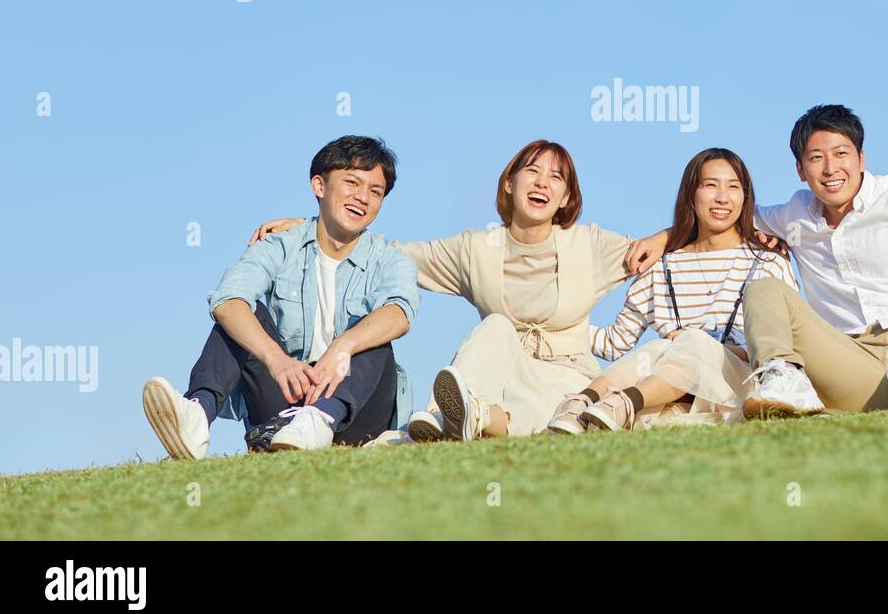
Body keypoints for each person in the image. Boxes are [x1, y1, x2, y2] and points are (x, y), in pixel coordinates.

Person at [250, 140, 642, 443]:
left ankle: (475, 420)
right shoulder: (476, 249)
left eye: (556, 177)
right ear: (509, 183)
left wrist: (660, 238)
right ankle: (446, 416)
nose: (542, 183)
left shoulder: (589, 244)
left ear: (567, 197)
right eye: (532, 171)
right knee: (496, 327)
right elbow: (397, 255)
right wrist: (314, 225)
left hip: (566, 374)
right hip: (500, 372)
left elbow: (669, 250)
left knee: (557, 410)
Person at [628, 104, 888, 417]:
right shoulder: (796, 213)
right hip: (847, 364)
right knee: (763, 288)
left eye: (841, 154)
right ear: (800, 169)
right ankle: (783, 381)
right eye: (816, 158)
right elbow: (730, 214)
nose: (830, 169)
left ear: (861, 157)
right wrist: (664, 237)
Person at [141, 136, 421, 460]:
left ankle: (320, 419)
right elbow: (228, 300)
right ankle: (196, 416)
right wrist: (277, 360)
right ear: (319, 185)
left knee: (372, 334)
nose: (363, 198)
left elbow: (399, 312)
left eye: (376, 191)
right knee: (245, 314)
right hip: (288, 400)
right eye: (352, 182)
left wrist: (343, 346)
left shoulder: (390, 259)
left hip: (357, 411)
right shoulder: (279, 245)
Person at [546, 148, 797, 434]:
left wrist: (705, 345)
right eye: (710, 185)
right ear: (691, 194)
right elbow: (614, 343)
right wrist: (546, 326)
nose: (722, 198)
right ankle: (581, 404)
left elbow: (786, 347)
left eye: (733, 187)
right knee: (658, 348)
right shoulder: (661, 267)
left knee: (687, 341)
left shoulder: (768, 262)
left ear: (745, 197)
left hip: (735, 387)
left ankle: (626, 402)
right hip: (672, 392)